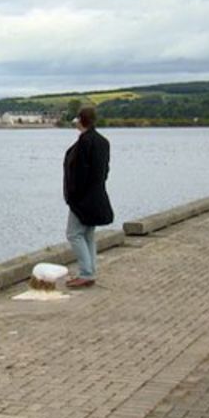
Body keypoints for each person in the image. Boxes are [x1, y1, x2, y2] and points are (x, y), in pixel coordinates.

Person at [63, 107, 113, 288]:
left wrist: (73, 195)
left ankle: (86, 273)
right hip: (96, 194)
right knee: (88, 235)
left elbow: (79, 172)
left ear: (81, 121)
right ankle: (90, 271)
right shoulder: (103, 142)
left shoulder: (85, 142)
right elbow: (105, 170)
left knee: (73, 234)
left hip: (82, 198)